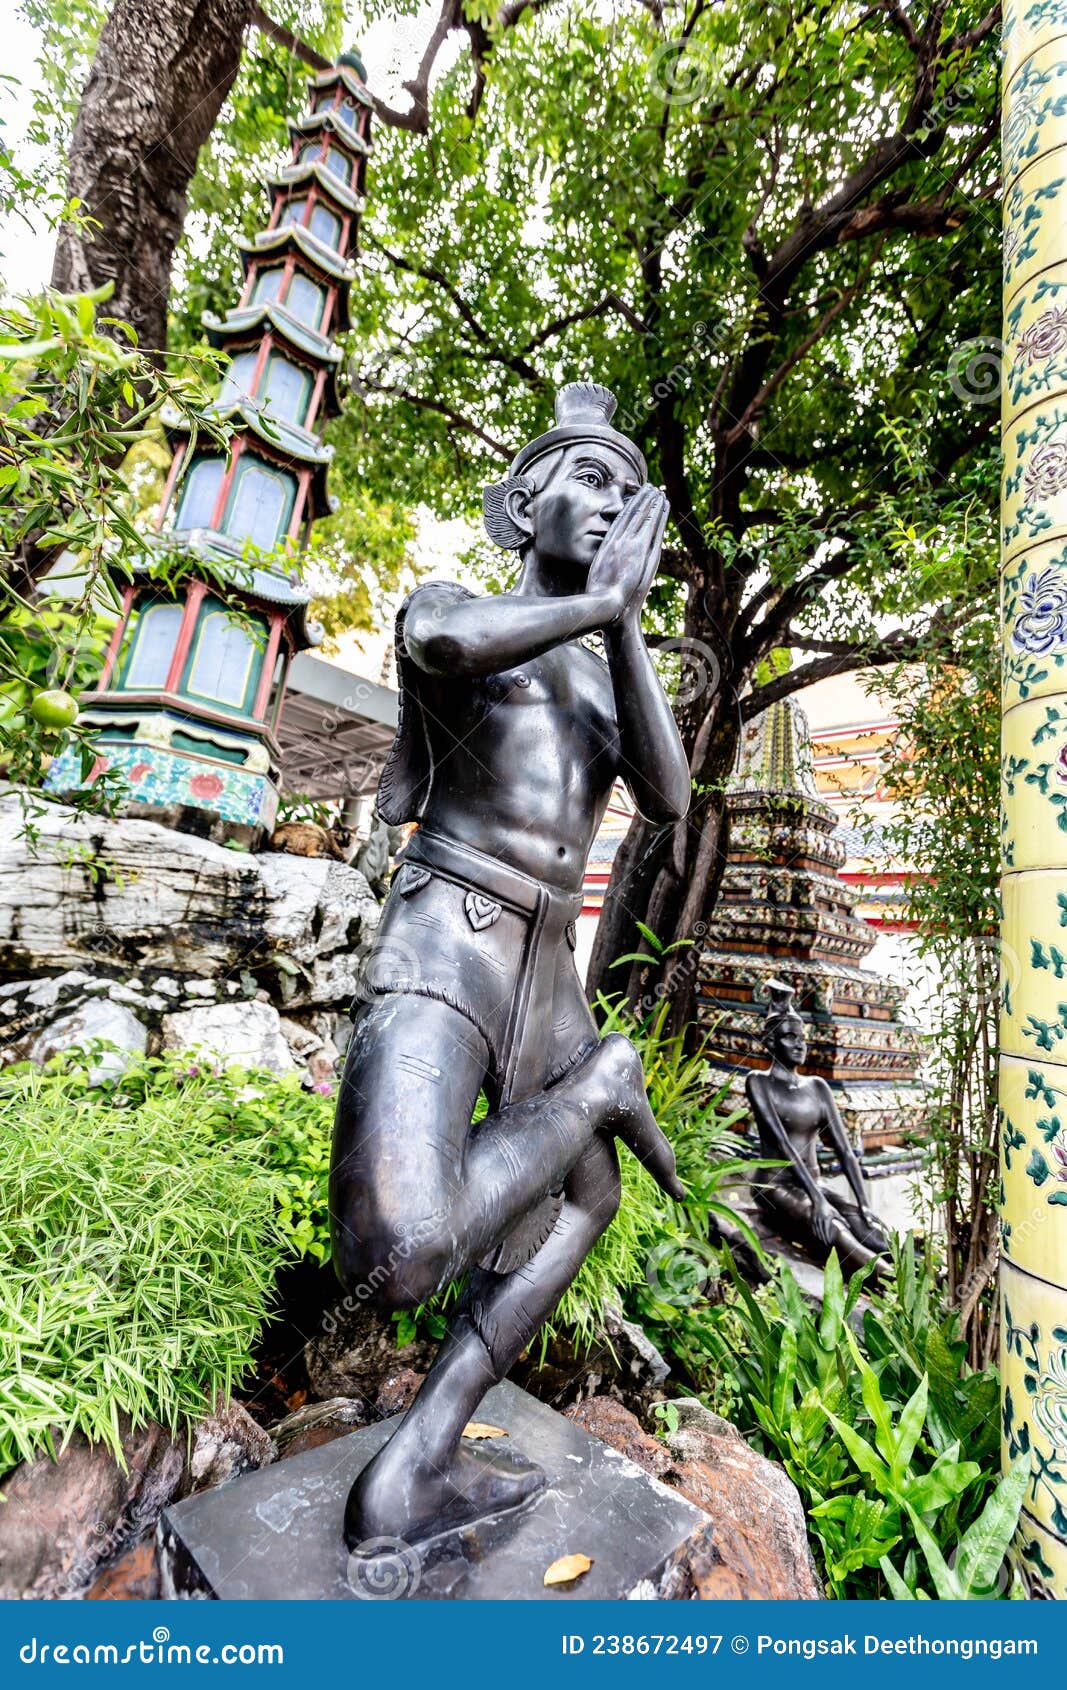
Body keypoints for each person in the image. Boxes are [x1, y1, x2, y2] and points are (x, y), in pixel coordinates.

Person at [330, 382, 693, 1549]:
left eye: (626, 492)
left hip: (550, 968)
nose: (609, 502)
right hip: (449, 930)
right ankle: (603, 1083)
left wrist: (623, 623)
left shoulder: (599, 667)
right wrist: (592, 600)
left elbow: (671, 796)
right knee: (399, 1253)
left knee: (588, 1193)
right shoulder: (457, 608)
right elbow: (438, 640)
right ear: (516, 504)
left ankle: (422, 1456)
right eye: (586, 478)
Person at [745, 980, 890, 1278]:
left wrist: (864, 1205)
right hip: (775, 1186)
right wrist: (819, 1201)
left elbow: (845, 1152)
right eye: (789, 1038)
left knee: (869, 1230)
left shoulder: (818, 1087)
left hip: (813, 1185)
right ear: (770, 1043)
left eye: (802, 1038)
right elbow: (783, 1144)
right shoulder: (759, 1082)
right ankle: (891, 1287)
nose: (800, 1044)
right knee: (832, 1229)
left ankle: (913, 1278)